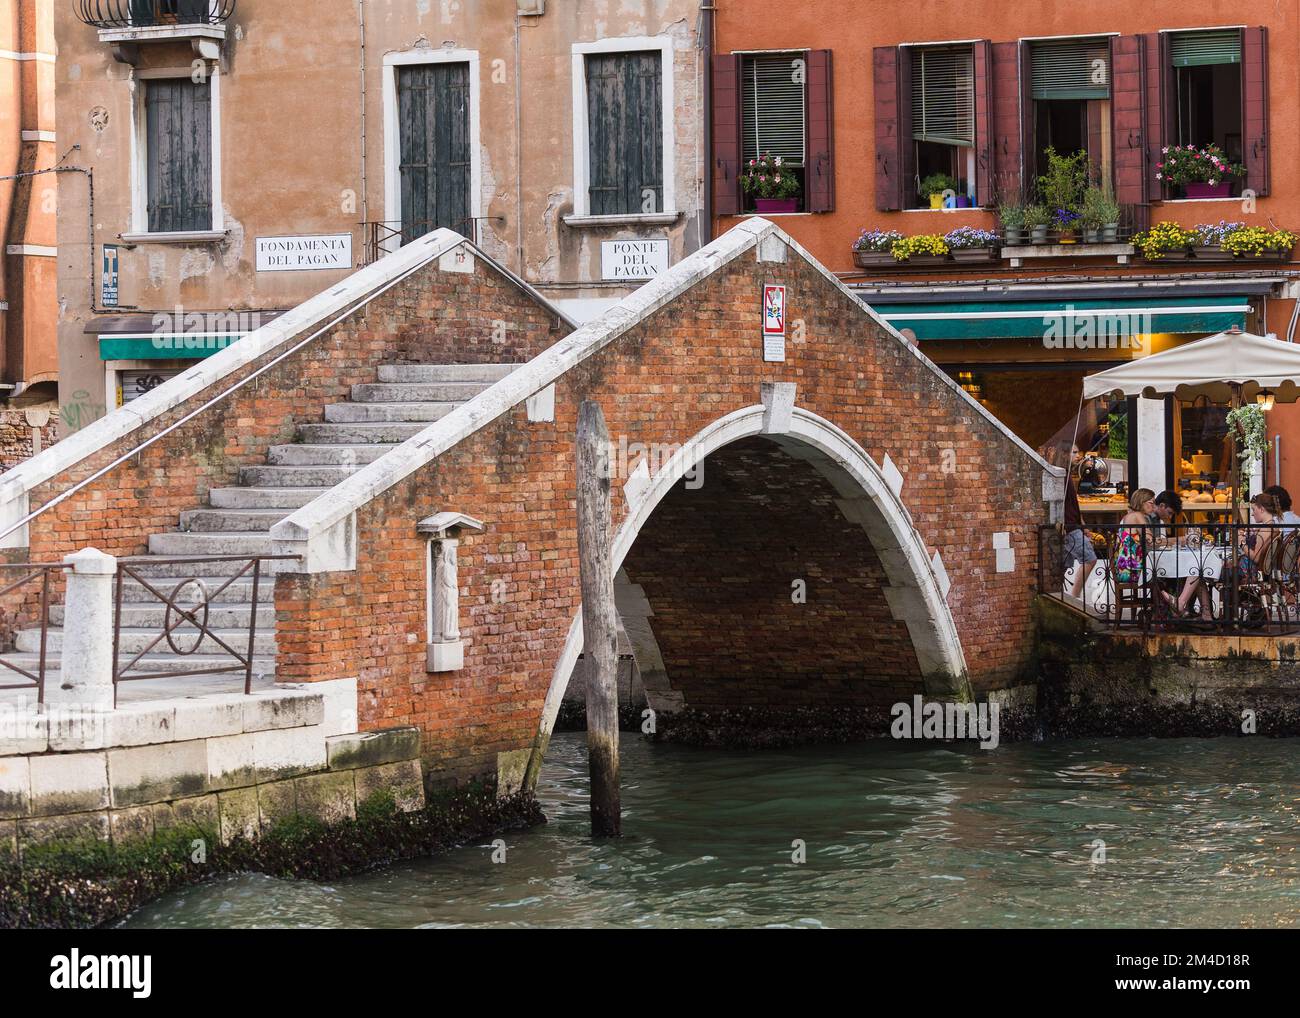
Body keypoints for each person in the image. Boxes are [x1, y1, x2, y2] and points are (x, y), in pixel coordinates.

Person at [1062, 473, 1097, 600]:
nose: (1077, 455)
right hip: (1068, 527)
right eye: (1074, 452)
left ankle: (1060, 596)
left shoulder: (1067, 473)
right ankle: (1074, 598)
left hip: (1071, 525)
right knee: (1089, 559)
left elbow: (1073, 505)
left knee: (1062, 565)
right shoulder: (1060, 473)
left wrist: (1083, 527)